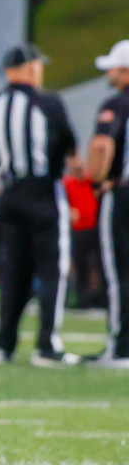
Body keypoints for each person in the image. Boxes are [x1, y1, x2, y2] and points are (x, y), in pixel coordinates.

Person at [0, 43, 78, 366]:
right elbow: (68, 146)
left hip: (9, 195)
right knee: (53, 270)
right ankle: (47, 345)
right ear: (29, 68)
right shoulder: (46, 102)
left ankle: (4, 346)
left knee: (13, 272)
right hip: (43, 194)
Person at [84, 39, 129, 368]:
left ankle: (120, 347)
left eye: (114, 68)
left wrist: (98, 180)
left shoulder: (117, 102)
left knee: (118, 272)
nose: (110, 74)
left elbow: (102, 143)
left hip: (123, 193)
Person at [63, 154, 104, 309]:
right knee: (81, 266)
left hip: (94, 228)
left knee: (99, 264)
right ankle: (82, 298)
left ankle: (102, 297)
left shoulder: (89, 181)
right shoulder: (67, 183)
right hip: (78, 229)